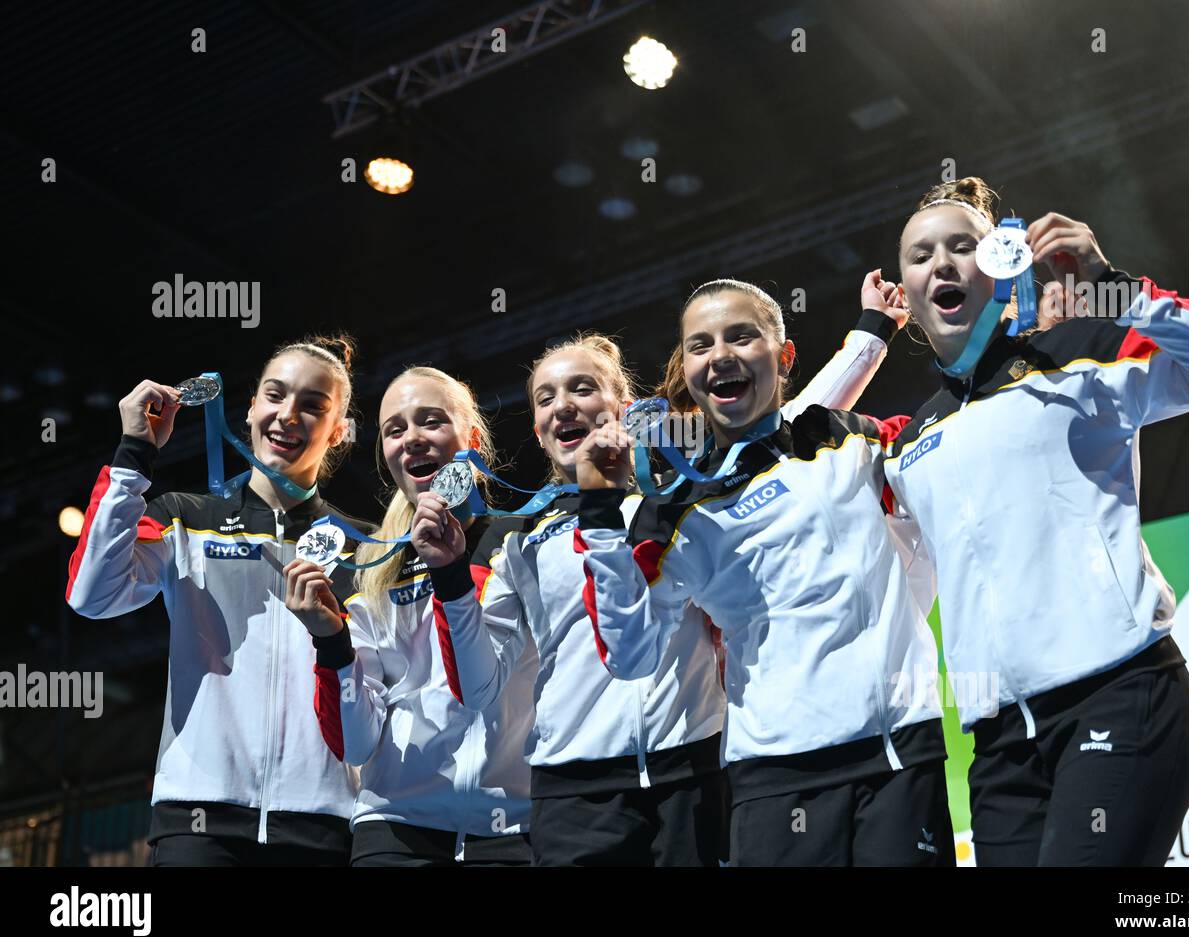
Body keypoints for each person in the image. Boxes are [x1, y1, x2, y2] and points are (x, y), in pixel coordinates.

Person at [411, 284, 907, 865]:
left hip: (690, 773)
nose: (563, 405)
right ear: (539, 426)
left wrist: (871, 334)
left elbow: (784, 426)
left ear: (623, 405)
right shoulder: (514, 538)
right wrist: (447, 578)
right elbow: (477, 688)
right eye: (545, 398)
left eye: (582, 388)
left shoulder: (679, 495)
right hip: (573, 791)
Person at [883, 176, 1189, 865]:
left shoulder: (1081, 356)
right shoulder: (910, 441)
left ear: (1005, 266)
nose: (942, 264)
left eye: (962, 247)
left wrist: (1118, 291)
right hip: (1000, 745)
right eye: (922, 255)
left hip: (1119, 699)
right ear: (906, 294)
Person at [568, 280, 954, 866]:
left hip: (898, 750)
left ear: (784, 355)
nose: (720, 354)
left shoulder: (845, 439)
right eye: (700, 345)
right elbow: (629, 655)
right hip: (772, 773)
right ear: (689, 370)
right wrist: (598, 510)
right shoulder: (674, 511)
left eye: (741, 336)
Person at [66, 335, 367, 866]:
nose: (287, 415)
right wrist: (134, 453)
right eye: (275, 395)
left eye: (313, 406)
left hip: (323, 824)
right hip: (197, 821)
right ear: (250, 407)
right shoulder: (184, 516)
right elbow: (92, 594)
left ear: (338, 431)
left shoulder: (364, 546)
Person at [283, 366, 537, 866]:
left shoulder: (519, 540)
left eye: (430, 421)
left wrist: (450, 572)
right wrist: (330, 640)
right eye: (395, 430)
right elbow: (356, 746)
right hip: (395, 832)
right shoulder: (370, 568)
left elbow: (481, 686)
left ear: (473, 438)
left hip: (509, 826)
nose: (412, 440)